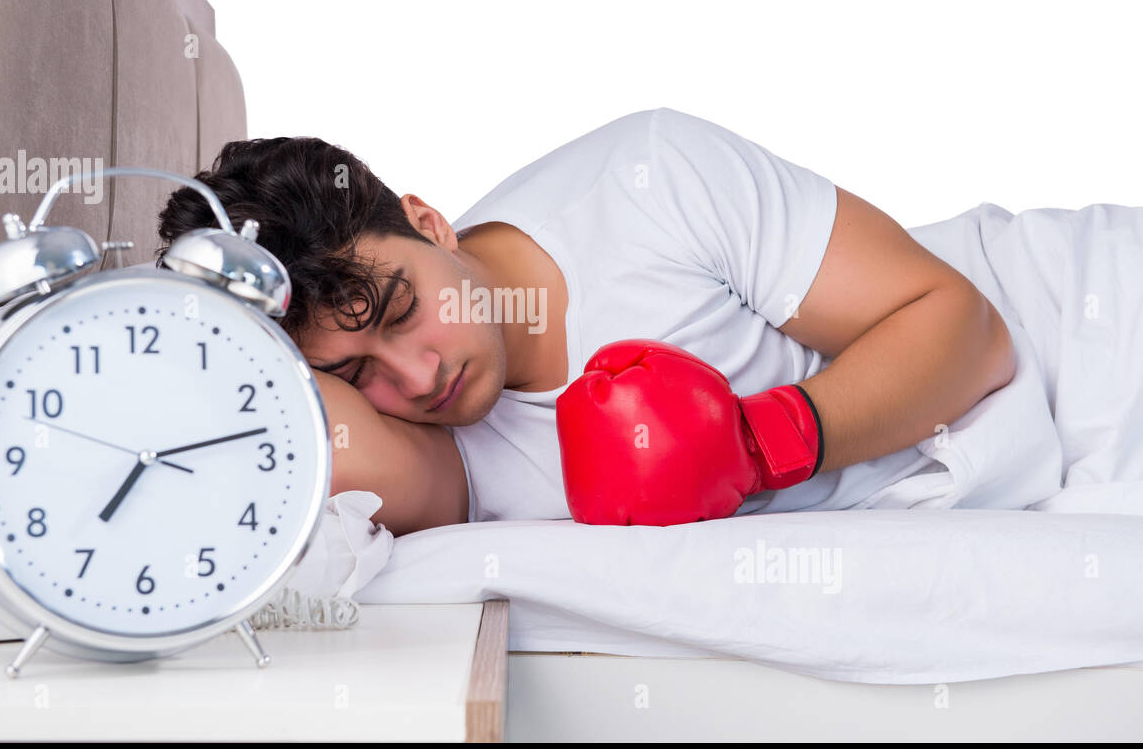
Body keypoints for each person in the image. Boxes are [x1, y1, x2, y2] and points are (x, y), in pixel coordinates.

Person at [155, 107, 1138, 535]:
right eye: (356, 370)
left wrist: (755, 445)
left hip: (1075, 317)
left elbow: (963, 327)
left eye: (405, 311)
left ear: (426, 221)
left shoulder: (641, 184)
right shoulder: (424, 450)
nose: (414, 379)